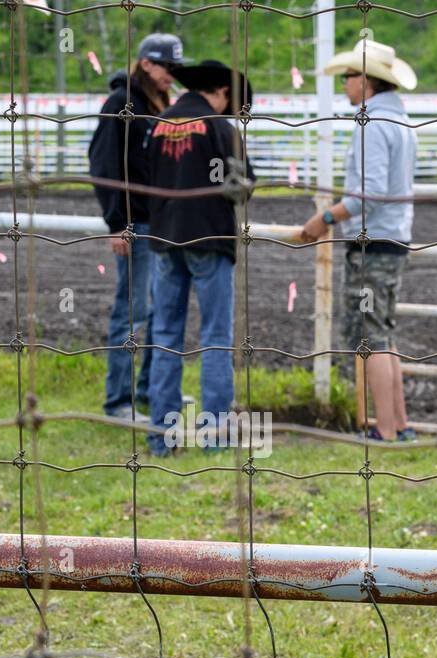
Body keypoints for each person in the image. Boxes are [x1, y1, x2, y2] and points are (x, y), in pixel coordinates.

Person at [299, 39, 418, 442]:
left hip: (373, 240)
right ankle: (398, 424)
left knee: (369, 336)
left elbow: (368, 193)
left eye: (349, 77)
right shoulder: (400, 122)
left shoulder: (373, 126)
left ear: (366, 81)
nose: (345, 84)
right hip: (393, 236)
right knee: (383, 333)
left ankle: (384, 430)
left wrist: (325, 217)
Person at [145, 59, 255, 456]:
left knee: (166, 337)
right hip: (210, 240)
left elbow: (141, 180)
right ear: (222, 92)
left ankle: (161, 436)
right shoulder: (219, 128)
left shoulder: (157, 125)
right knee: (214, 338)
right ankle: (217, 434)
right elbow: (242, 186)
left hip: (164, 239)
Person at [88, 33, 186, 421]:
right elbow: (103, 164)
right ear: (146, 63)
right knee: (132, 311)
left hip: (157, 222)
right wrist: (117, 222)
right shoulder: (121, 104)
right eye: (168, 67)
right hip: (137, 223)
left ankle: (144, 391)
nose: (172, 75)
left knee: (157, 310)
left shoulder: (153, 104)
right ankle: (118, 400)